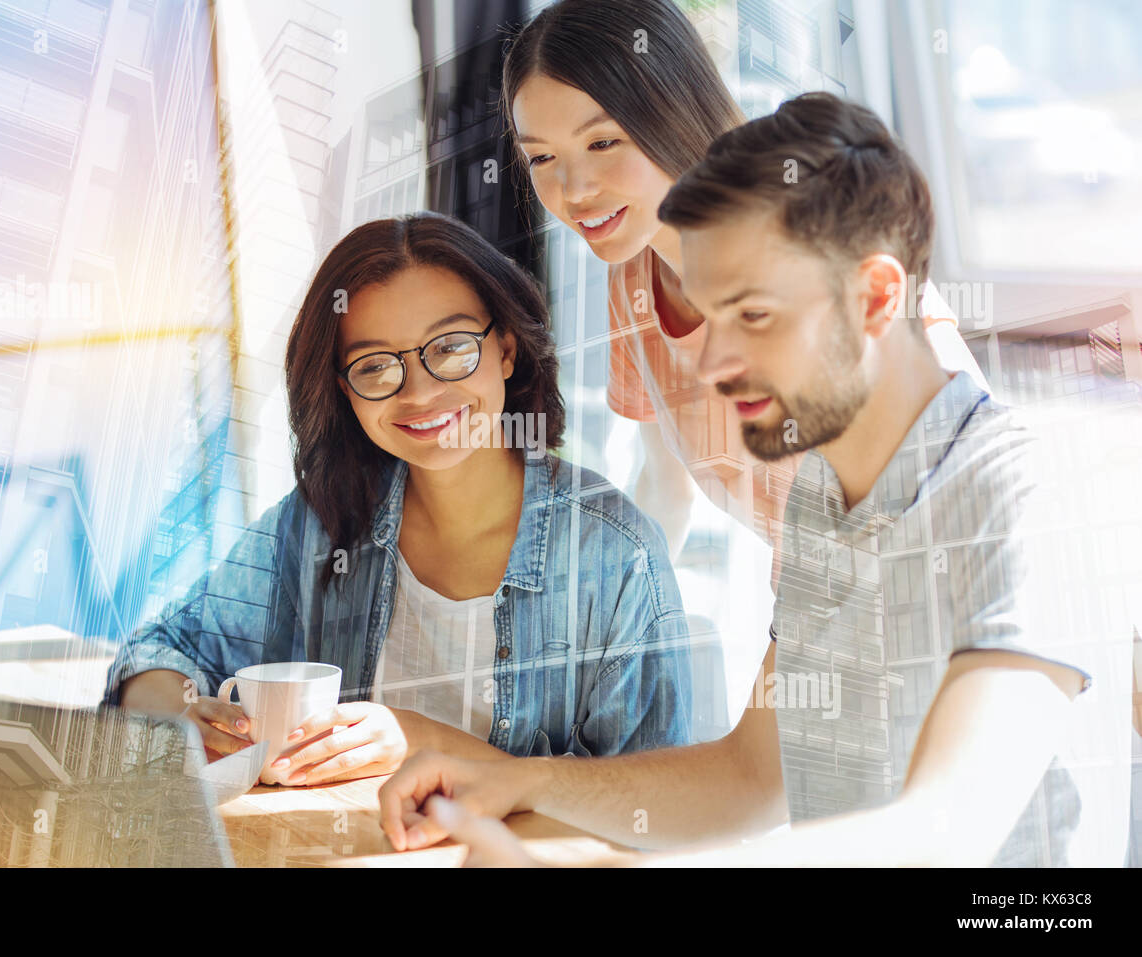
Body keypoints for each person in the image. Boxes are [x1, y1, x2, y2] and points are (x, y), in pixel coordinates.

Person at [377, 94, 1138, 866]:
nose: (711, 364)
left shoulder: (1021, 490)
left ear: (875, 297)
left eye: (753, 315)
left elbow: (943, 827)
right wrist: (520, 783)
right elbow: (748, 778)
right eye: (711, 318)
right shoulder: (819, 495)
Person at [105, 212, 696, 787]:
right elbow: (157, 650)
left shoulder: (615, 553)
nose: (420, 392)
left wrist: (421, 740)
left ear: (507, 349)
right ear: (344, 389)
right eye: (375, 366)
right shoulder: (323, 520)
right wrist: (182, 718)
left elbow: (651, 808)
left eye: (451, 347)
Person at [501, 0, 988, 561]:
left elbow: (955, 466)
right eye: (540, 158)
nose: (574, 188)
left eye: (603, 142)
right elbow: (666, 488)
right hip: (817, 610)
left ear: (674, 110)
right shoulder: (634, 280)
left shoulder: (810, 233)